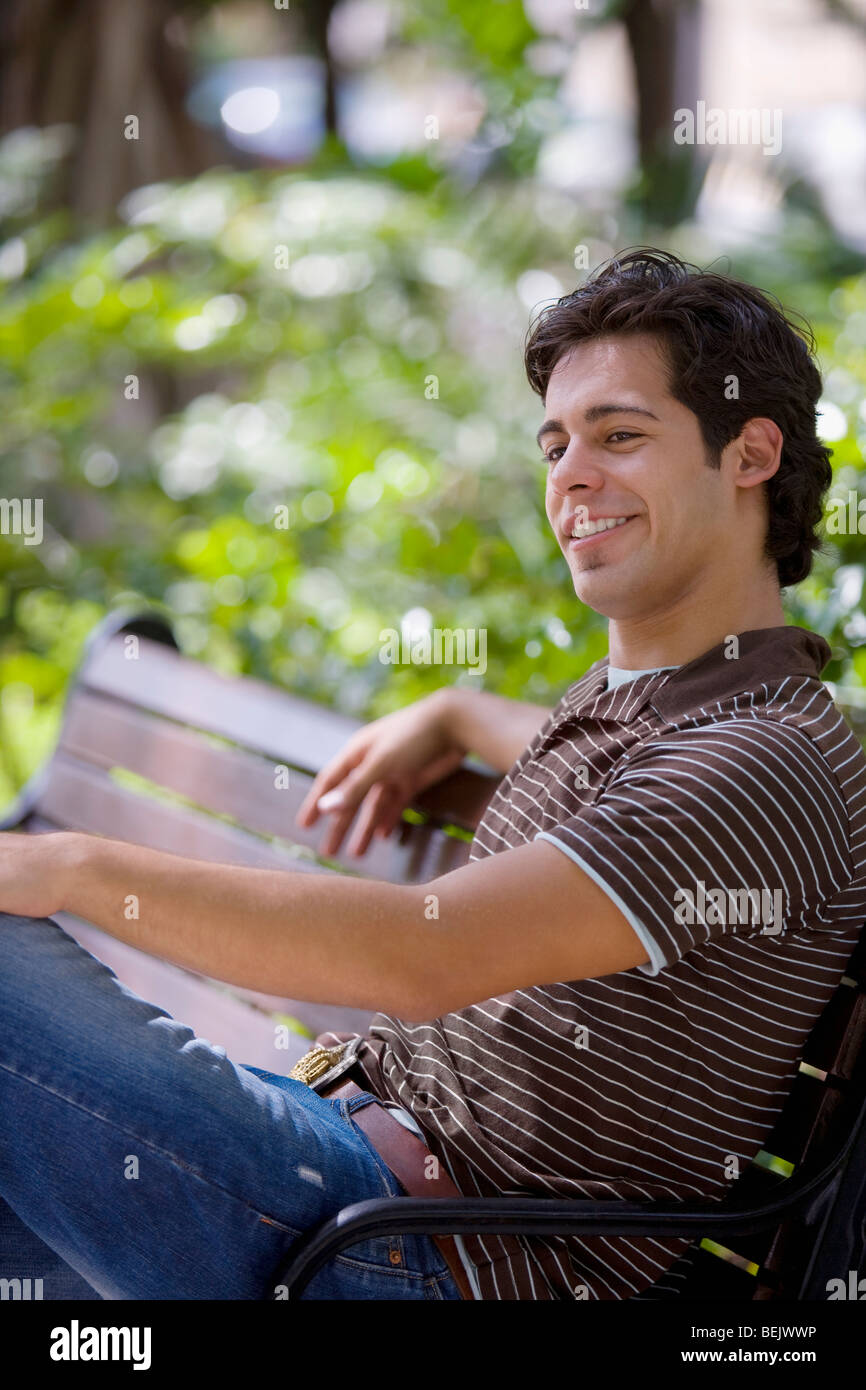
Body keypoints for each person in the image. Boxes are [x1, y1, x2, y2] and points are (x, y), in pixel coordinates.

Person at [1, 249, 864, 1301]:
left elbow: (426, 953)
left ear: (751, 454)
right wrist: (457, 712)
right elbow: (617, 770)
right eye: (555, 444)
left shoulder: (759, 760)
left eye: (619, 436)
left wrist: (72, 868)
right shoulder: (662, 703)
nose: (570, 476)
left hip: (405, 1252)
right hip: (344, 1177)